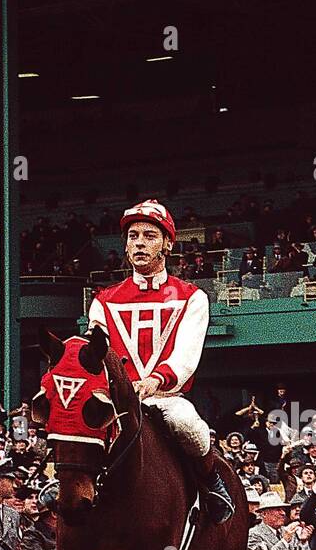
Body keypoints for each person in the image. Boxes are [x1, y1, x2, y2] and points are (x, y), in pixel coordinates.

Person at [87, 199, 234, 523]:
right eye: (133, 236)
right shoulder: (103, 300)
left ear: (168, 243)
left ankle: (212, 485)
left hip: (165, 398)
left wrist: (153, 382)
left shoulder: (192, 297)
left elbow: (185, 356)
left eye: (150, 236)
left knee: (188, 423)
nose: (139, 242)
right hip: (117, 399)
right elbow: (96, 353)